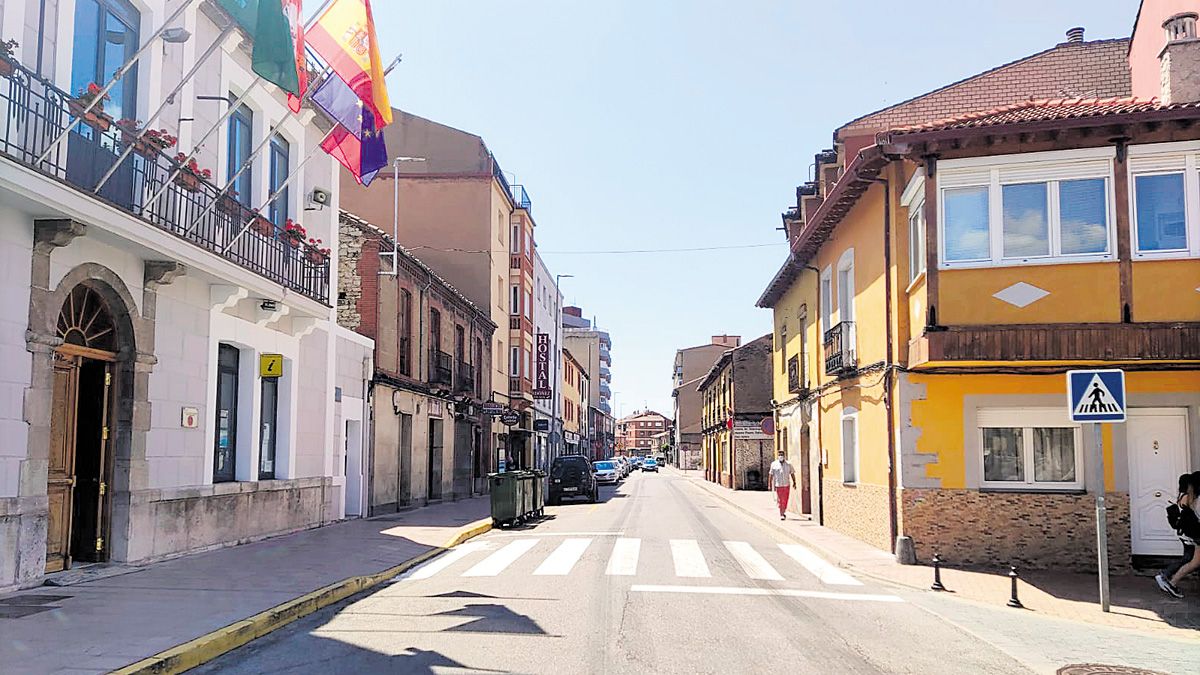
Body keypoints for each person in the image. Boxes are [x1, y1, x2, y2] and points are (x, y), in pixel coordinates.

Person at [1157, 472, 1200, 598]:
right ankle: (1168, 578)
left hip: (1190, 534)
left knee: (1192, 561)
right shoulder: (1192, 498)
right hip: (1194, 534)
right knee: (1191, 561)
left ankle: (1170, 581)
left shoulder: (1187, 496)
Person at [768, 450, 797, 520]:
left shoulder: (789, 464)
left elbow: (792, 473)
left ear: (784, 456)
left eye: (782, 455)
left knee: (785, 499)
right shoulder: (774, 464)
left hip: (786, 485)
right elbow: (771, 475)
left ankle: (783, 511)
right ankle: (781, 513)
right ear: (778, 456)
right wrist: (769, 484)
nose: (781, 456)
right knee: (780, 500)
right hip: (778, 485)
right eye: (779, 455)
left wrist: (794, 482)